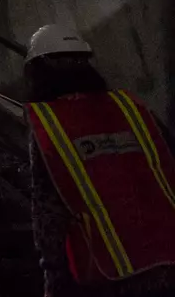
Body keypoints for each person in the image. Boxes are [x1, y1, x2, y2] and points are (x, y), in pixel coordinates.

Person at [24, 25, 175, 297]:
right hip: (168, 250)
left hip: (112, 263)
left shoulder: (51, 126)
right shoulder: (132, 107)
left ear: (39, 69)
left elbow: (48, 211)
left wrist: (53, 278)